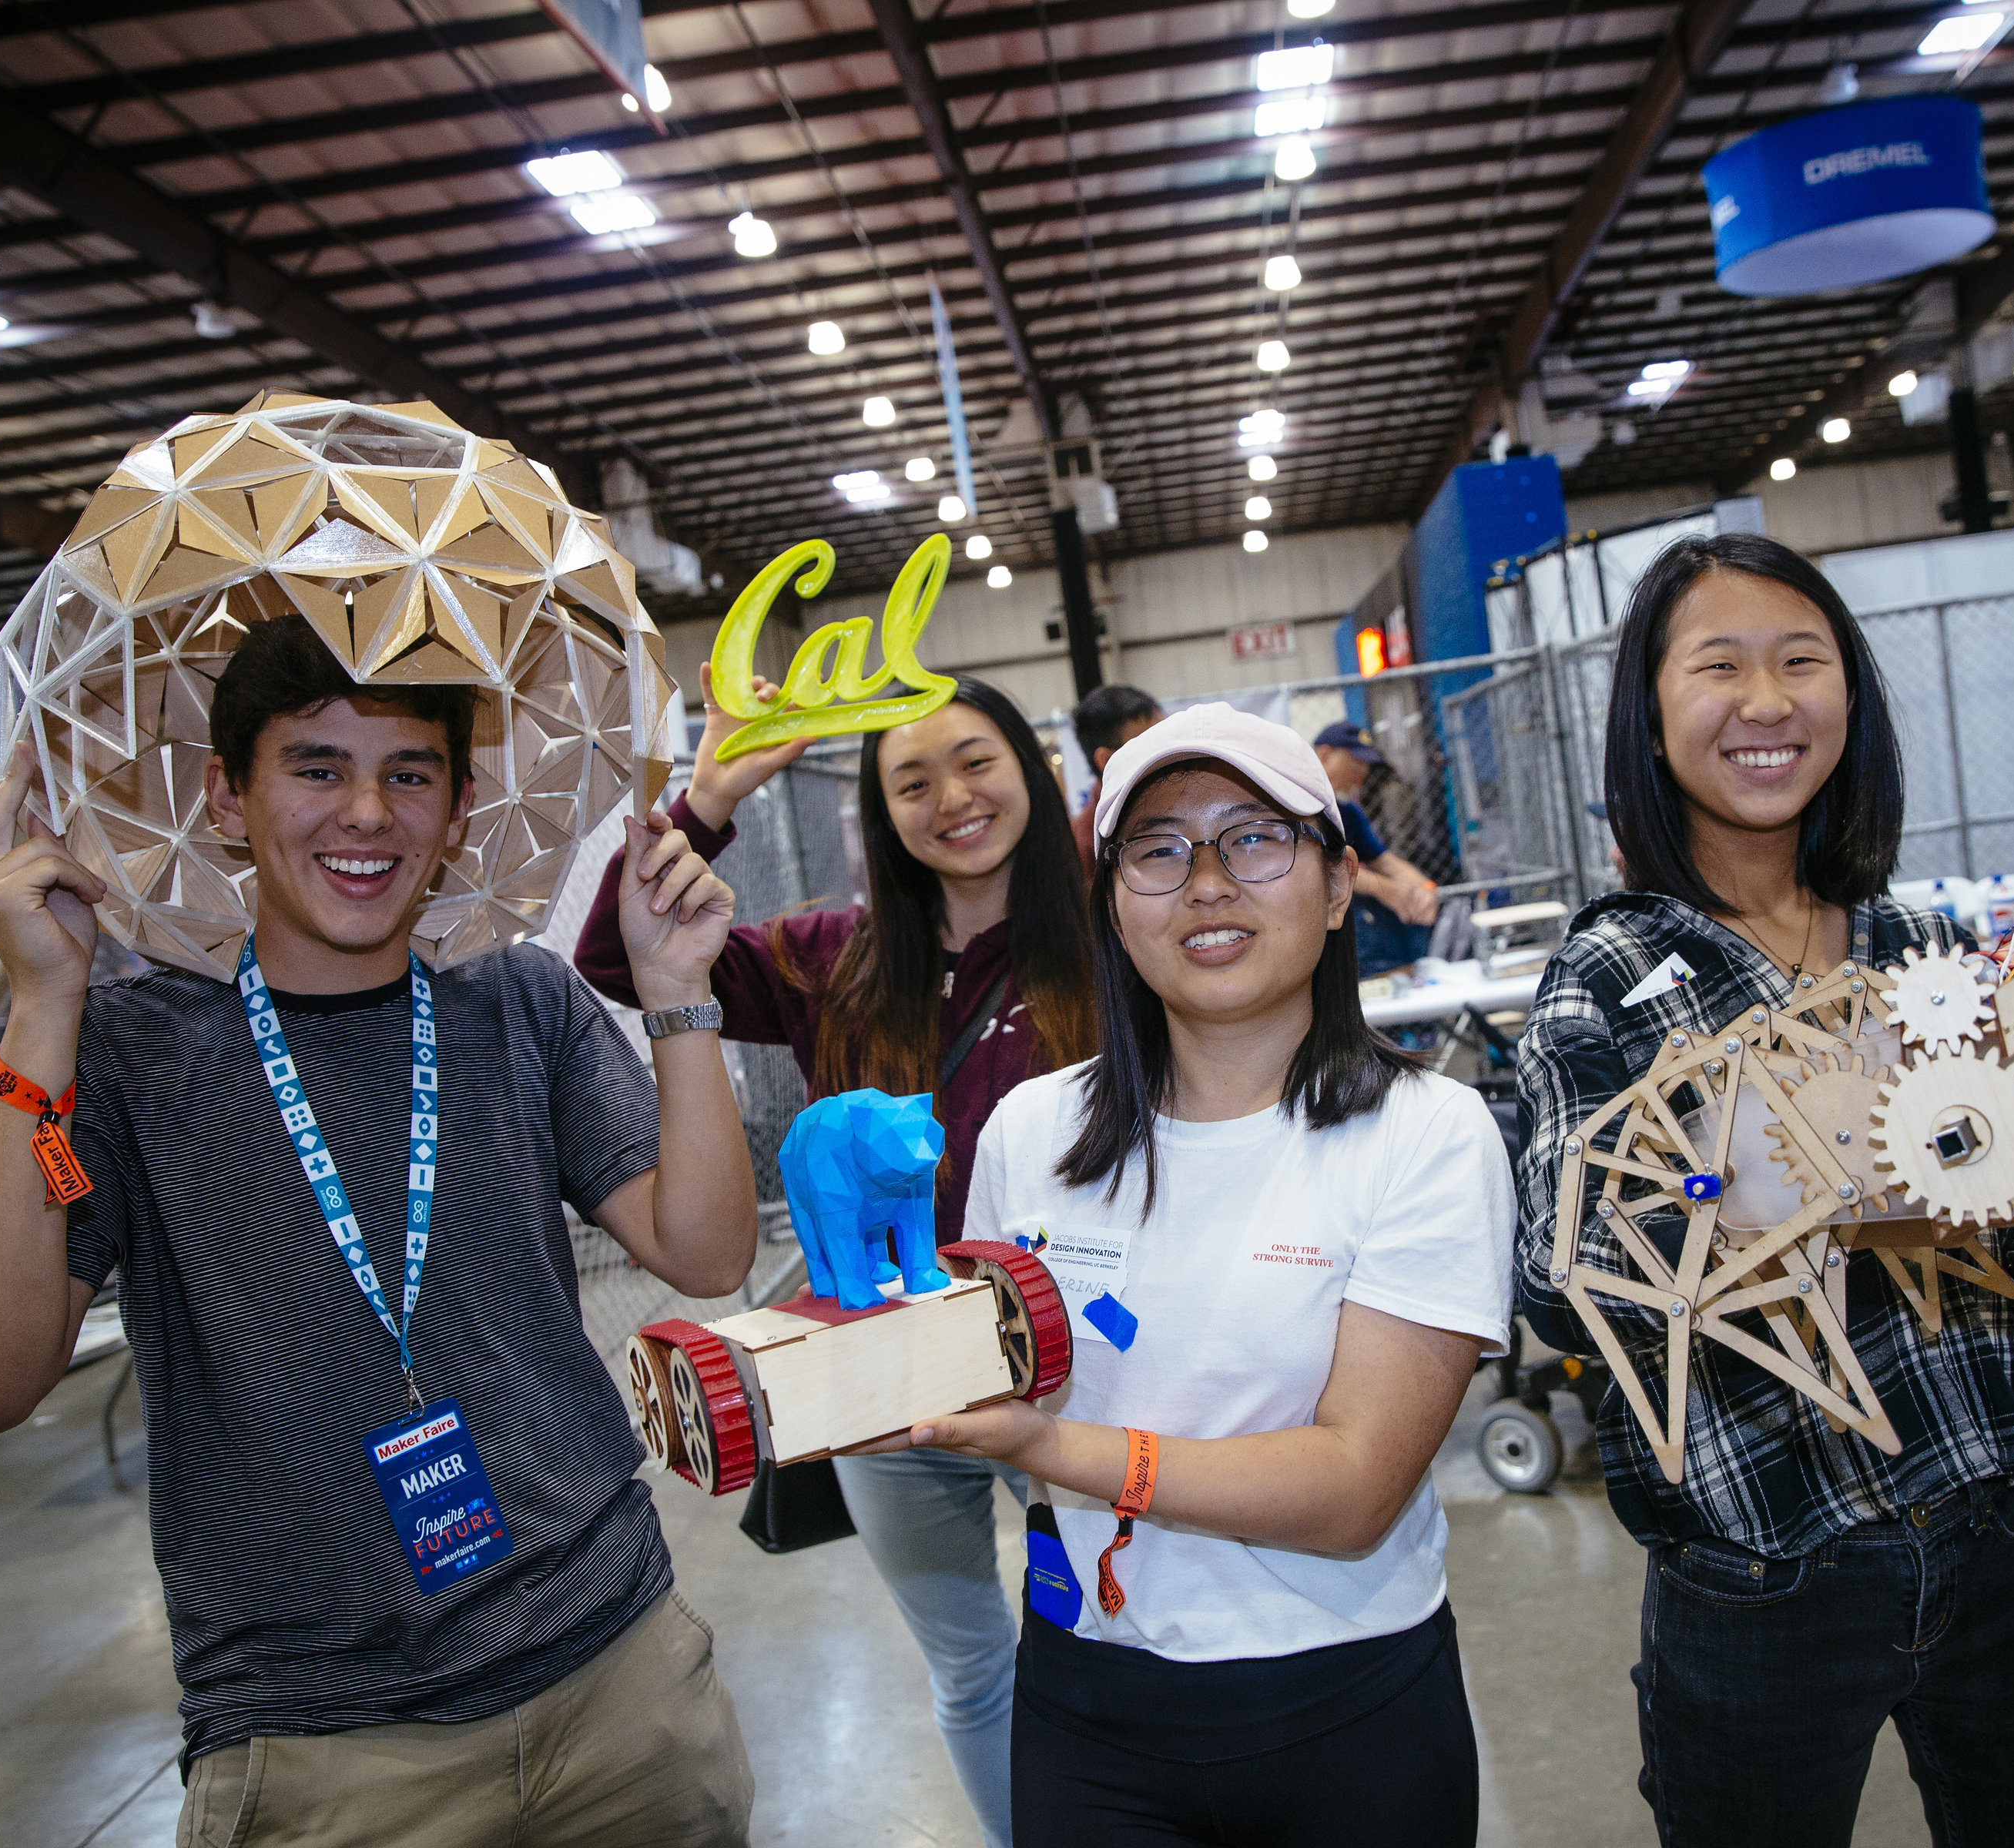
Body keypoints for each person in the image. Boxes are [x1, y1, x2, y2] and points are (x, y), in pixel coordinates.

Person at [0, 615, 761, 1844]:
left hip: (620, 1677)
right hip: (321, 1739)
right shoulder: (131, 1052)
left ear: (457, 809)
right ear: (226, 794)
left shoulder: (519, 1001)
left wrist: (678, 994)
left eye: (409, 774)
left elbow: (708, 1252)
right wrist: (44, 1002)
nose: (366, 812)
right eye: (316, 767)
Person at [1511, 534, 2014, 1848]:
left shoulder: (1922, 948)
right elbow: (1560, 1289)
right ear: (1649, 717)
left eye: (1802, 661)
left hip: (2011, 1523)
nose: (1768, 702)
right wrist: (1810, 1187)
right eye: (1719, 667)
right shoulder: (1607, 979)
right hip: (1770, 1567)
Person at [899, 703, 1511, 1846]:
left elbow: (1354, 1492)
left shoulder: (1426, 1133)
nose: (1209, 884)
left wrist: (1048, 1448)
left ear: (1339, 885)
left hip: (1347, 1697)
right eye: (1160, 851)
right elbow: (990, 1368)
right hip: (1086, 1697)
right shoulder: (1031, 1129)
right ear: (1113, 906)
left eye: (1256, 839)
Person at [577, 668, 1096, 1848]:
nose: (951, 799)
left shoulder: (1109, 942)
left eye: (975, 761)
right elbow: (615, 957)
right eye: (912, 781)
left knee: (1109, 1640)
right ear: (880, 811)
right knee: (974, 1668)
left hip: (1064, 1366)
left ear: (1027, 768)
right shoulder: (831, 957)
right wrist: (711, 794)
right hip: (888, 1391)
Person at [1309, 721, 1439, 971]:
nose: (1361, 775)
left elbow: (1384, 861)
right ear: (1325, 755)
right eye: (1355, 764)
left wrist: (1424, 888)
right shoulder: (1295, 806)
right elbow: (1319, 866)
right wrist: (1385, 889)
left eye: (1365, 767)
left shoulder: (1347, 812)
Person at [1071, 684, 1165, 872]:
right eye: (1151, 747)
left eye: (1171, 739)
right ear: (1107, 760)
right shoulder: (1079, 846)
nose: (1167, 755)